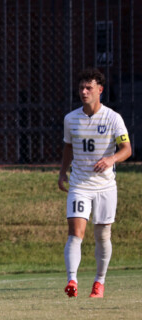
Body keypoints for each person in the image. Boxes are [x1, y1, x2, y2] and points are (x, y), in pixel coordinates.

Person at [59, 68, 131, 298]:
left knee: (102, 235)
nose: (84, 91)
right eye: (81, 87)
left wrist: (111, 159)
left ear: (100, 90)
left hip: (106, 187)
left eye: (89, 87)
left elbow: (126, 149)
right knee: (75, 232)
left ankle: (99, 282)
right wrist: (62, 173)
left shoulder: (113, 118)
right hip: (80, 184)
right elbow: (68, 147)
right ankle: (72, 280)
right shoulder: (71, 119)